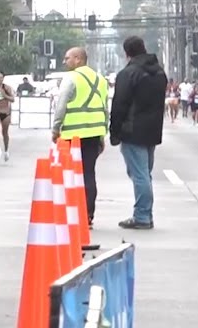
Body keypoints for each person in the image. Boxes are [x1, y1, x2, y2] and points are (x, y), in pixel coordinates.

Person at [109, 36, 167, 230]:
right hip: (152, 130)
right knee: (144, 173)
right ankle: (146, 213)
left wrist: (114, 131)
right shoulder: (159, 73)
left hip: (132, 130)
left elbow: (119, 104)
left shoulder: (128, 74)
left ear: (127, 53)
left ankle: (142, 216)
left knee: (139, 174)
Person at [52, 47, 108, 227]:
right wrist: (102, 134)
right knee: (89, 174)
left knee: (70, 175)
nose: (64, 61)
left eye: (67, 58)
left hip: (72, 135)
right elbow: (105, 108)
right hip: (93, 134)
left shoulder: (71, 78)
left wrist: (55, 129)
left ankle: (72, 213)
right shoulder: (100, 79)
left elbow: (61, 105)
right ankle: (88, 215)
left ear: (78, 59)